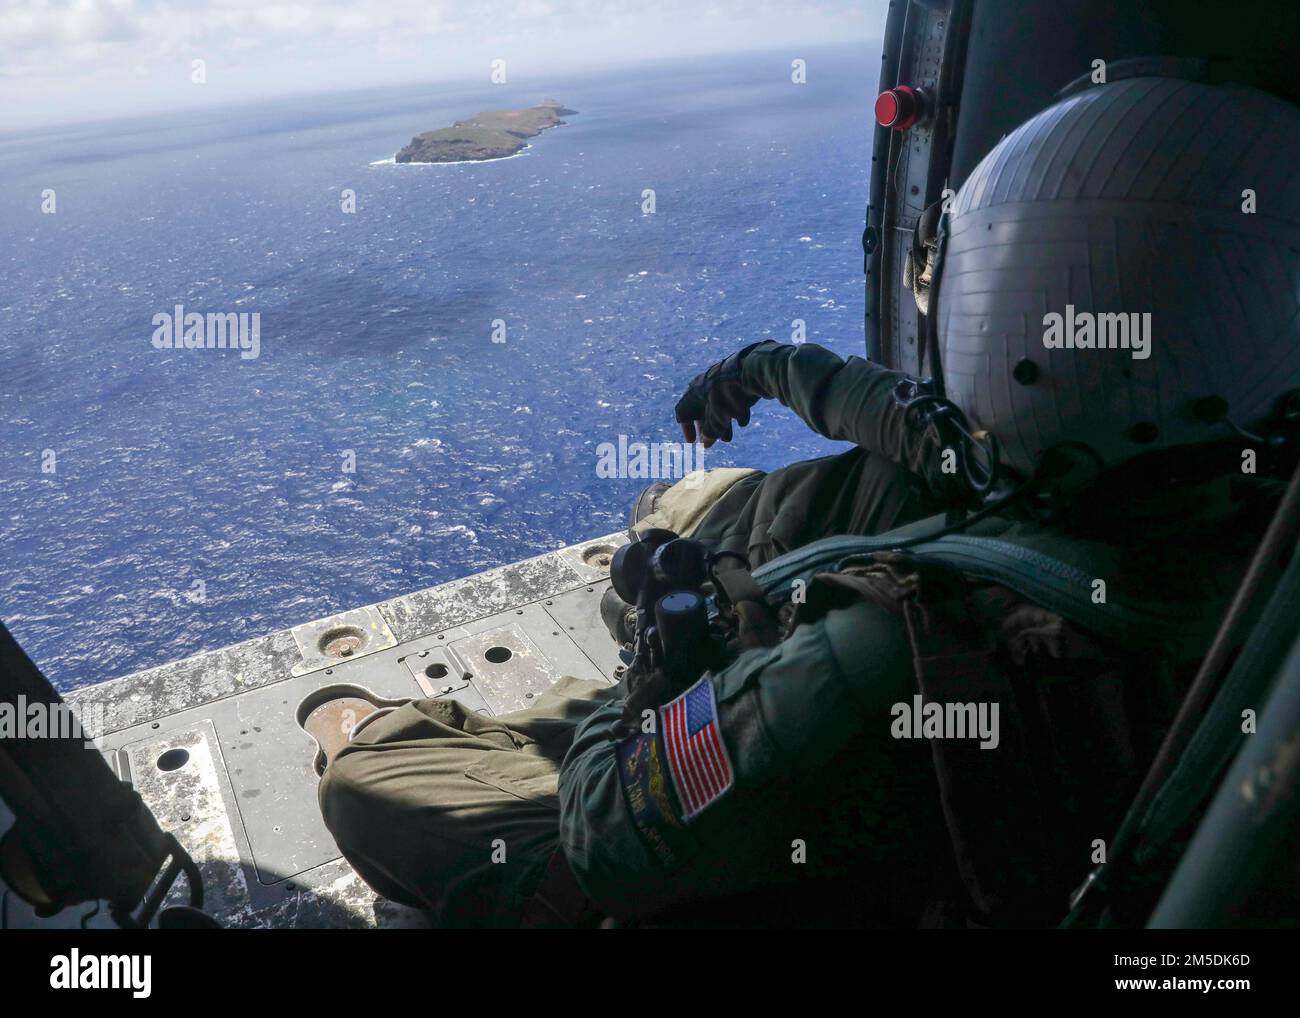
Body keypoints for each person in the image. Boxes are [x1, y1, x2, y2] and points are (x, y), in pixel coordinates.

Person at [318, 75, 1300, 927]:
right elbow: (925, 432)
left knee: (373, 785)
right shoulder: (1209, 480)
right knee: (701, 504)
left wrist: (661, 662)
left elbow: (609, 837)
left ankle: (362, 721)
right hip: (919, 668)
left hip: (798, 798)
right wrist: (767, 368)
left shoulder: (890, 663)